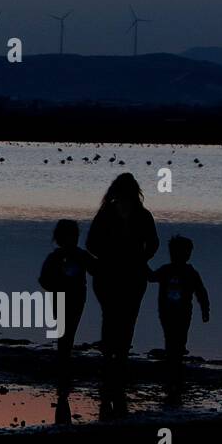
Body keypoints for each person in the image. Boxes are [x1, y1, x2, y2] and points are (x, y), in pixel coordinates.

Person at [85, 172, 159, 418]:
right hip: (111, 274)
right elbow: (91, 244)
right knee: (119, 316)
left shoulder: (137, 215)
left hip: (129, 275)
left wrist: (138, 258)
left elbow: (153, 244)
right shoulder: (114, 214)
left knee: (122, 317)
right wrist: (122, 256)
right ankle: (114, 361)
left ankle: (117, 360)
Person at [38, 219, 95, 396]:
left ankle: (64, 362)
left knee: (67, 331)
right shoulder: (56, 257)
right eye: (70, 236)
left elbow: (96, 269)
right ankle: (64, 362)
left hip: (76, 298)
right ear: (61, 238)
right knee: (65, 332)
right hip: (60, 297)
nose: (73, 240)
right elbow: (43, 279)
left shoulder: (80, 255)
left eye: (75, 236)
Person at [148, 234, 210, 398]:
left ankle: (175, 361)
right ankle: (173, 364)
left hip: (182, 312)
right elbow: (151, 277)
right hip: (167, 311)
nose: (183, 255)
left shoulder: (190, 272)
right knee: (171, 337)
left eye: (185, 252)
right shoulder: (166, 270)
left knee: (179, 337)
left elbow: (201, 292)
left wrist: (205, 310)